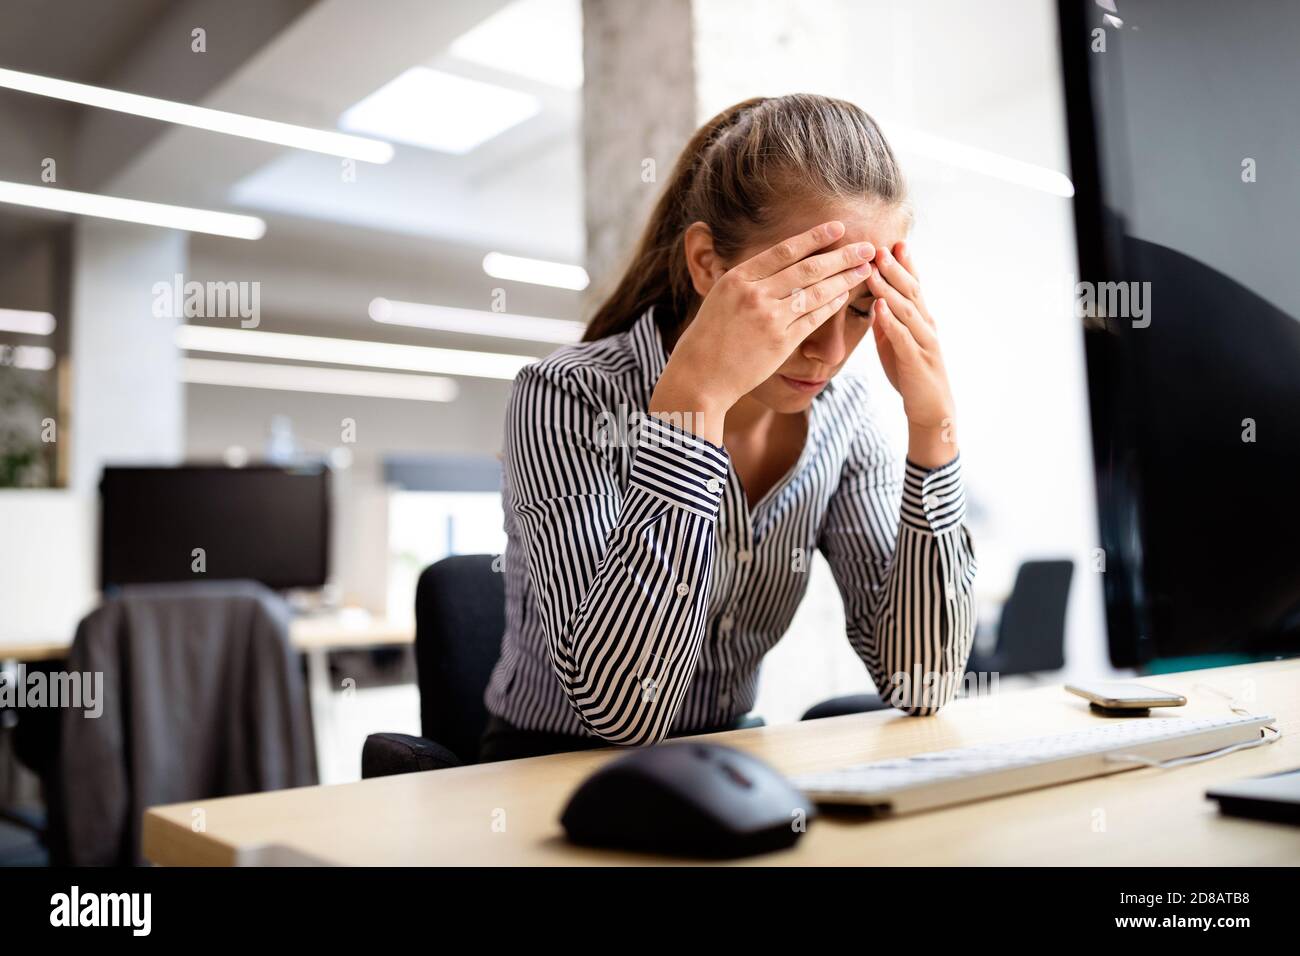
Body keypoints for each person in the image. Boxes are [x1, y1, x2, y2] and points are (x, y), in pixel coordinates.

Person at [480, 94, 976, 762]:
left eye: (860, 307)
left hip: (723, 763)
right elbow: (621, 710)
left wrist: (933, 429)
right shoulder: (567, 396)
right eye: (805, 296)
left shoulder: (847, 418)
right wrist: (694, 405)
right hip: (550, 768)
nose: (830, 350)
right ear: (710, 264)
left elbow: (924, 680)